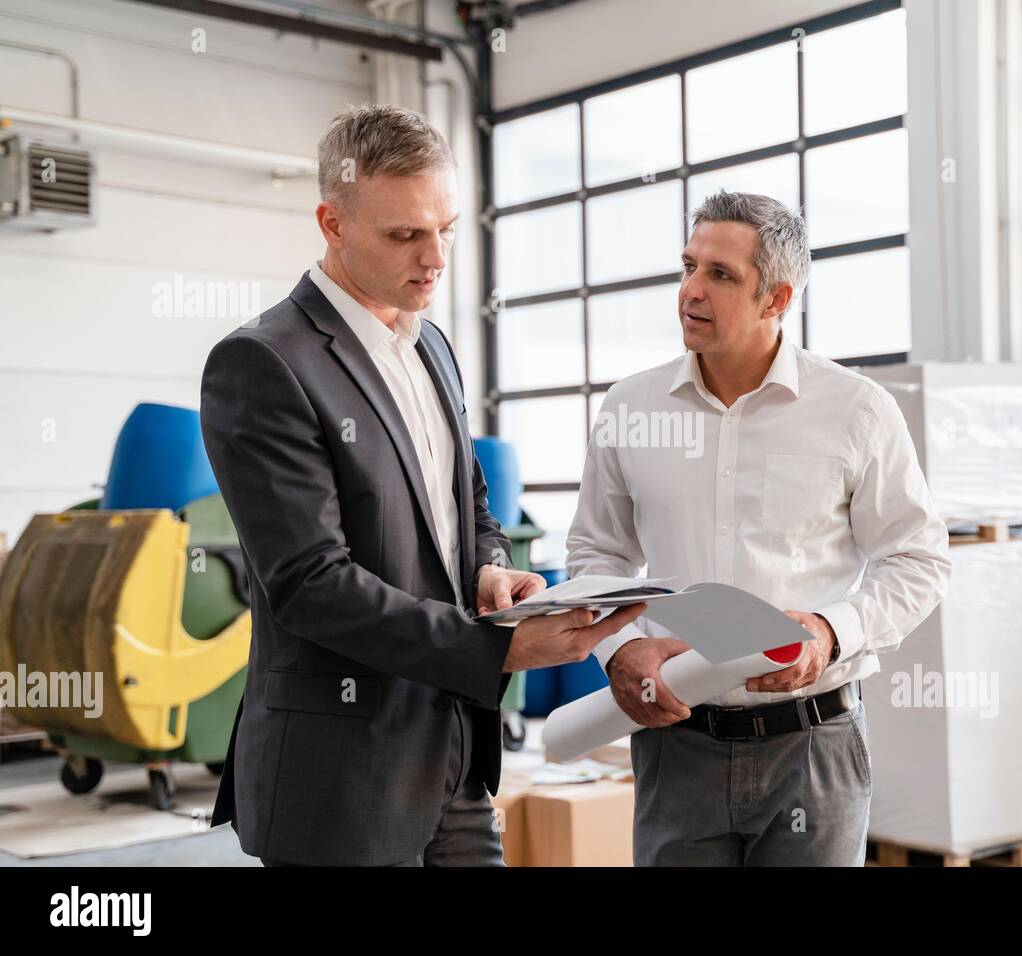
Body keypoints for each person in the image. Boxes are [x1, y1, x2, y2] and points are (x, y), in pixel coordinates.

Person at [200, 104, 642, 867]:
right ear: (331, 223)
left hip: (454, 754)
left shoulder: (429, 342)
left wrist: (491, 568)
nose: (435, 257)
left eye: (446, 227)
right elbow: (310, 584)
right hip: (343, 771)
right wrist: (494, 653)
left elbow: (464, 503)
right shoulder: (264, 363)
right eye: (404, 234)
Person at [566, 191, 951, 866]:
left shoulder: (856, 410)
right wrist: (620, 651)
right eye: (688, 266)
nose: (691, 290)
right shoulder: (630, 408)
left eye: (720, 275)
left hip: (812, 743)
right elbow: (595, 552)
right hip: (675, 743)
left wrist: (832, 632)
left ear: (777, 298)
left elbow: (917, 559)